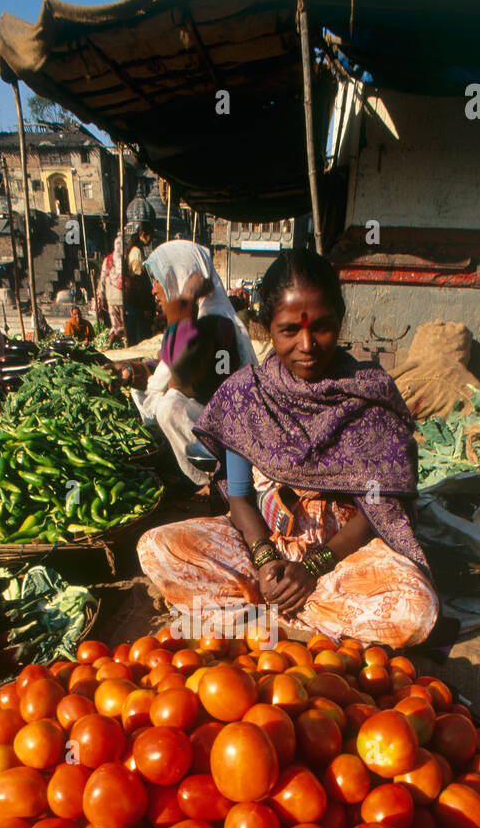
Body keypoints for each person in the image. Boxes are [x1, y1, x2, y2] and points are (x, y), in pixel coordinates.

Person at [137, 249, 439, 648]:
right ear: (267, 327)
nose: (308, 344)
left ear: (340, 320)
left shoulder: (369, 394)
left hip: (344, 555)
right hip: (265, 543)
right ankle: (295, 606)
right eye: (288, 331)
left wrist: (313, 568)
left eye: (323, 327)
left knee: (415, 609)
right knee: (158, 548)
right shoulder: (247, 394)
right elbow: (240, 493)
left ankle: (269, 611)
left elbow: (379, 507)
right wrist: (264, 560)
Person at [130, 240, 256, 490]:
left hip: (228, 431)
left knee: (170, 407)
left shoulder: (218, 327)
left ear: (182, 275)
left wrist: (185, 298)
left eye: (159, 280)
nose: (154, 290)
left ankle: (211, 482)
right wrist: (134, 371)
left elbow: (184, 368)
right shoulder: (197, 321)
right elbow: (168, 361)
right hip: (211, 422)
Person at [124, 225, 155, 344]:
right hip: (137, 301)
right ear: (143, 234)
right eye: (150, 236)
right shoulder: (136, 252)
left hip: (136, 300)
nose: (151, 240)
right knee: (139, 336)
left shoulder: (137, 249)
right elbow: (138, 281)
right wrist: (146, 306)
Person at [99, 238, 125, 343]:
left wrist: (101, 296)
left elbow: (102, 280)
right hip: (118, 299)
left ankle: (118, 343)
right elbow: (102, 280)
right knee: (123, 326)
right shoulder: (123, 260)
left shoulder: (108, 260)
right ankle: (123, 344)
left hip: (114, 299)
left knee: (117, 326)